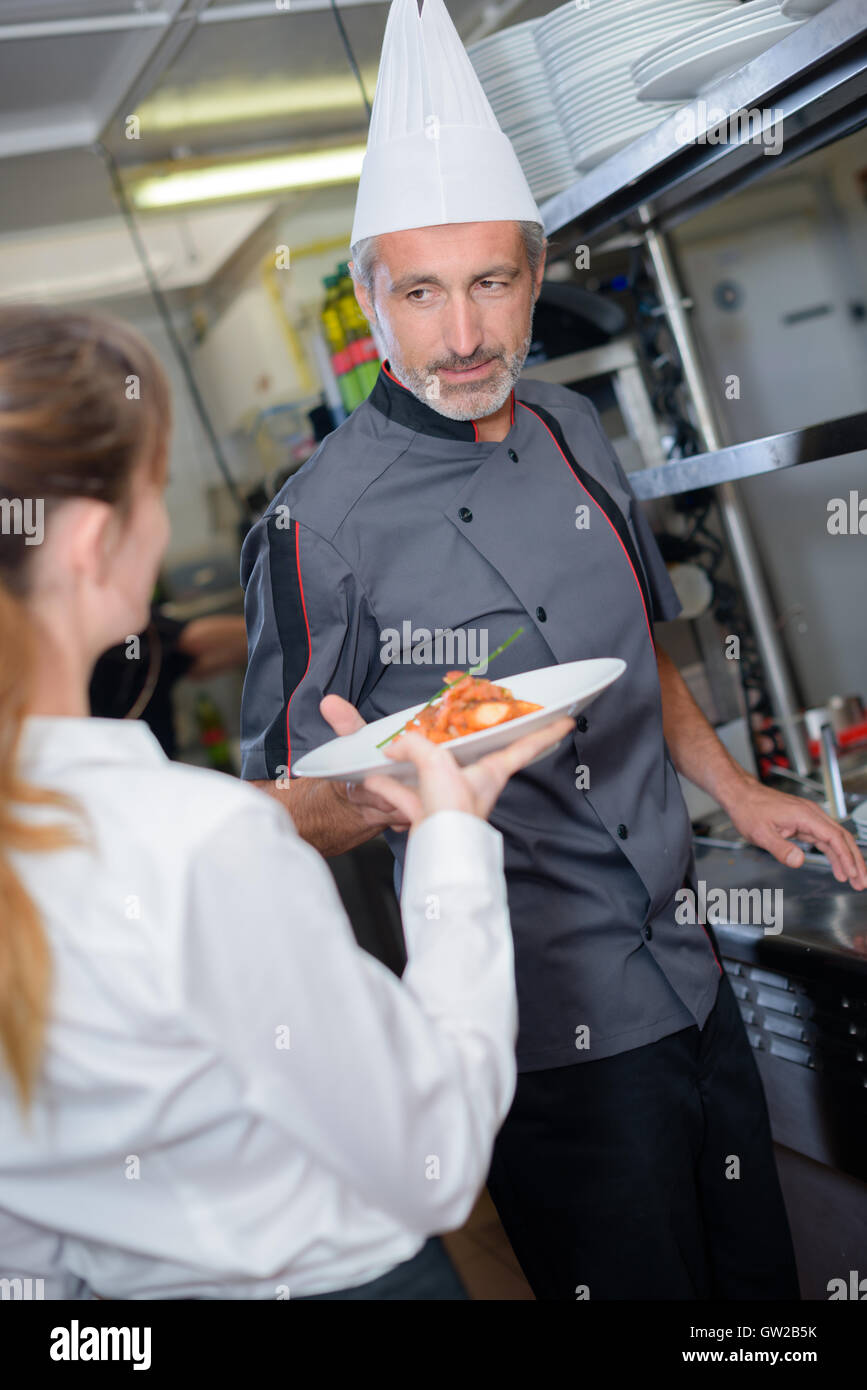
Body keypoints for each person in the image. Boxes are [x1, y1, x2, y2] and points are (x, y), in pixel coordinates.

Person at [239, 0, 867, 1301]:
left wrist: (737, 790)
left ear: (533, 278)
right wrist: (393, 780)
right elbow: (272, 813)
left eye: (490, 283)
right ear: (370, 302)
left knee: (758, 1294)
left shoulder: (576, 423)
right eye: (419, 292)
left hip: (684, 963)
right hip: (536, 1031)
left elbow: (630, 638)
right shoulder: (318, 521)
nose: (462, 335)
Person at [0, 302, 573, 1300]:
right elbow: (431, 1157)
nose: (164, 522)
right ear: (92, 541)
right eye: (154, 488)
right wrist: (448, 837)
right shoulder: (195, 847)